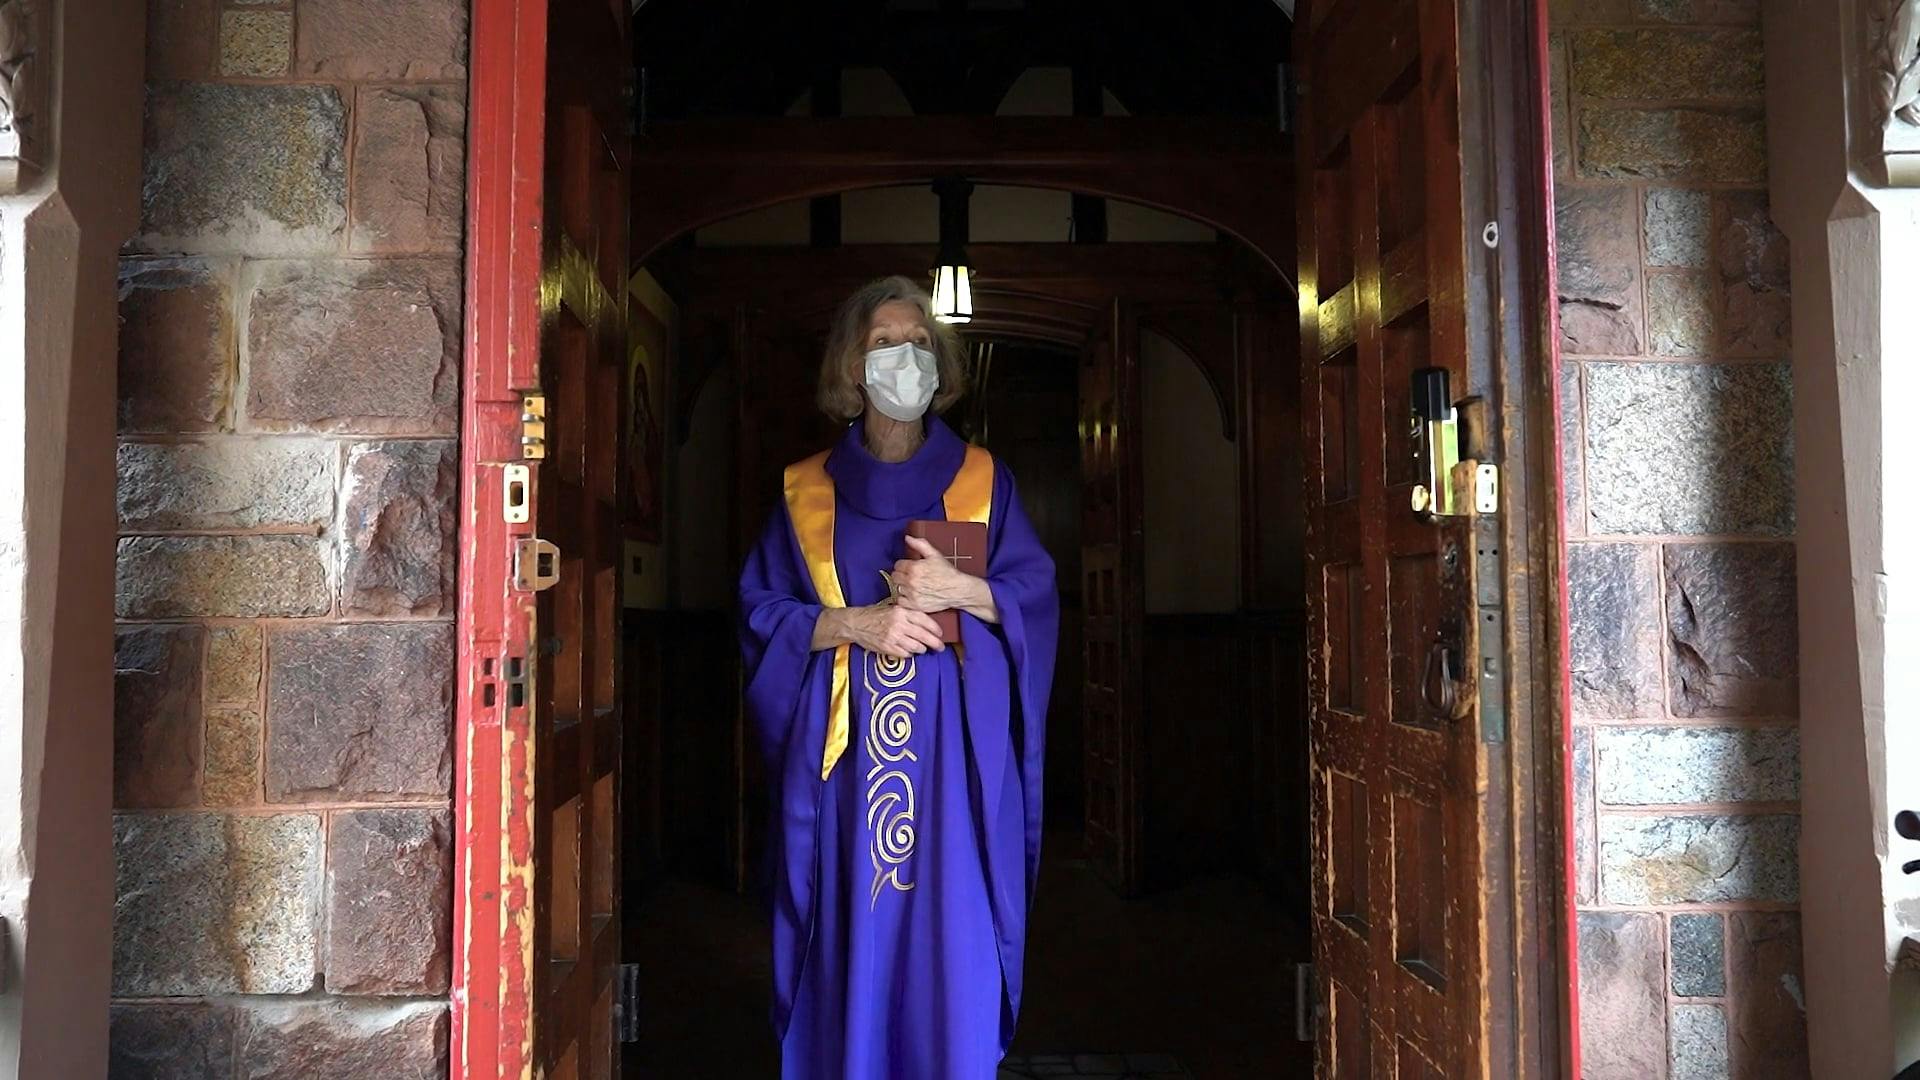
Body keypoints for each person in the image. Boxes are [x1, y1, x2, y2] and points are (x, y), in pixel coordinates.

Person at [738, 275, 1060, 1079]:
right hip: (847, 768)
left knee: (949, 928)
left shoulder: (984, 481)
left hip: (953, 765)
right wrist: (853, 622)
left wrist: (964, 592)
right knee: (857, 929)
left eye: (918, 343)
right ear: (852, 365)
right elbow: (757, 611)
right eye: (884, 344)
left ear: (941, 363)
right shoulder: (805, 490)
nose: (903, 359)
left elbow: (1037, 595)